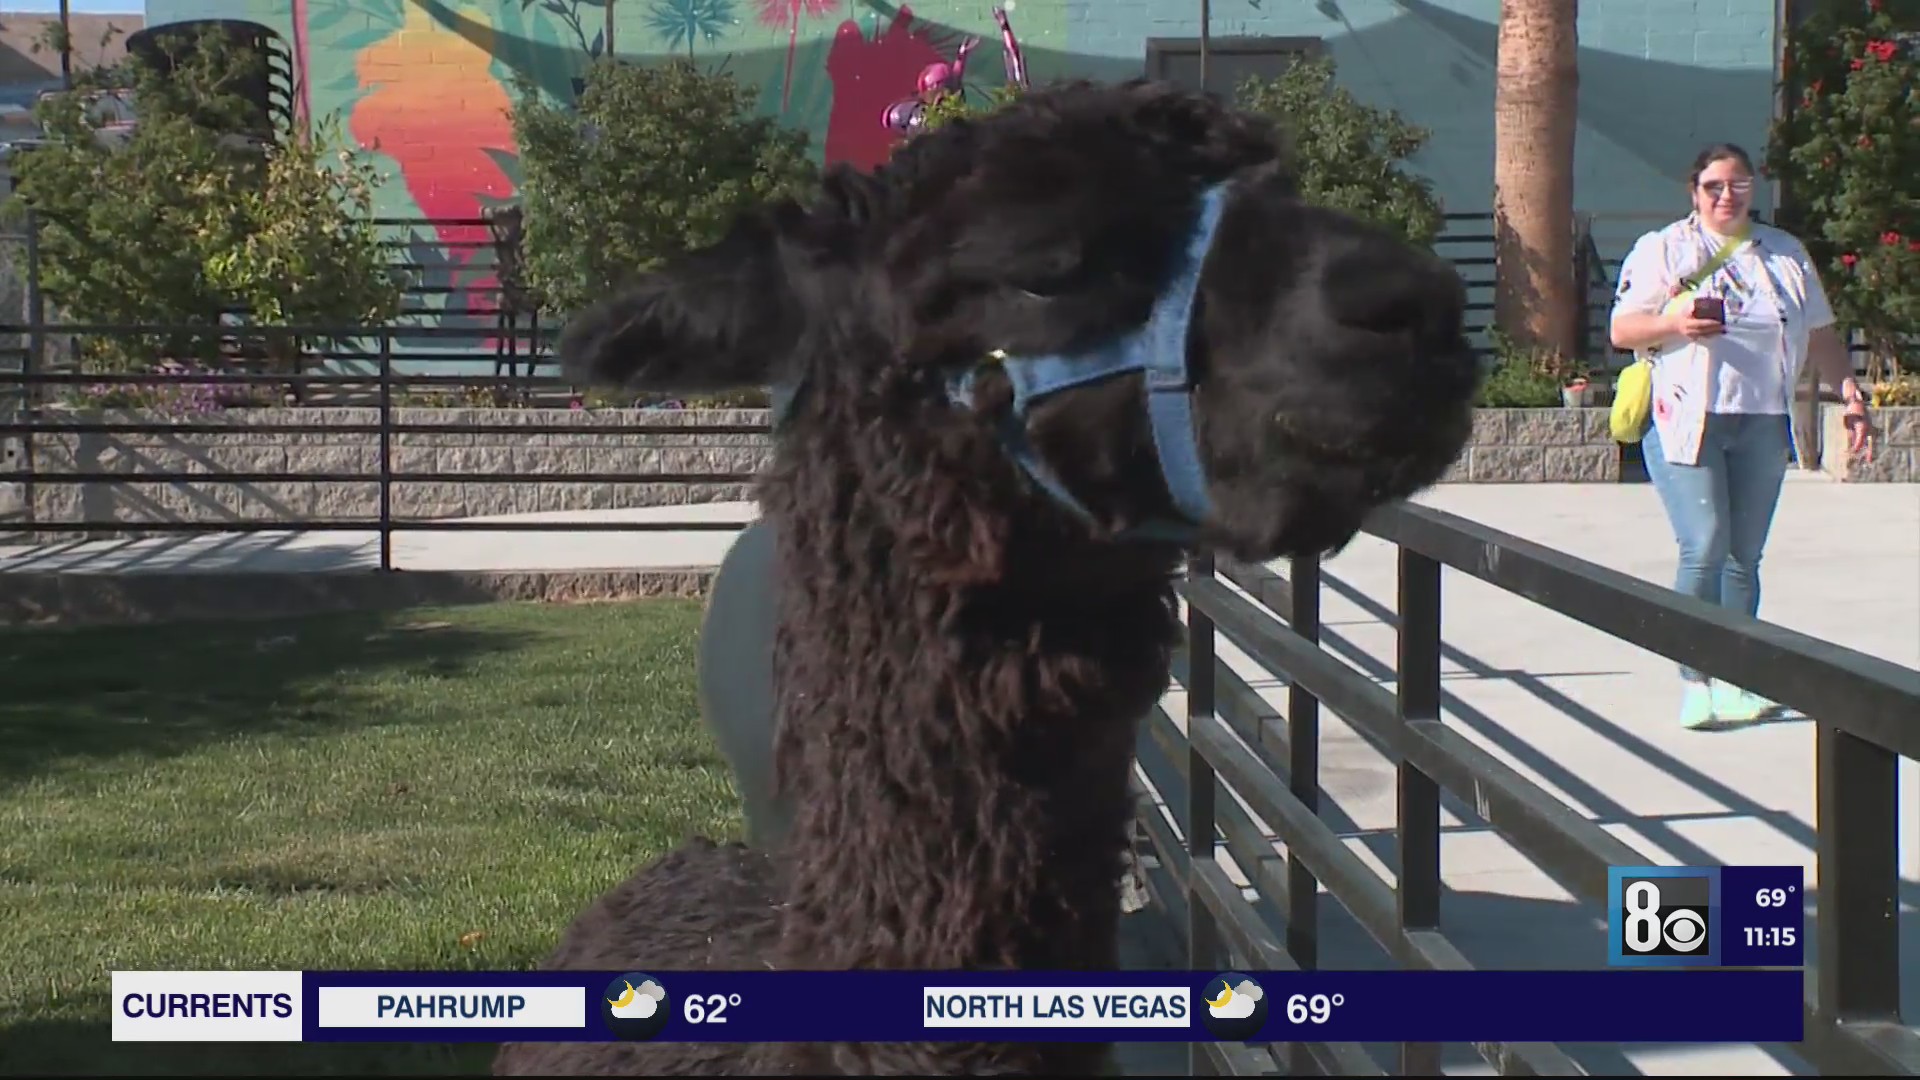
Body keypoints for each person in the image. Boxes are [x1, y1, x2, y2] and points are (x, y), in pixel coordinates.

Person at [1608, 142, 1876, 731]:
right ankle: (1694, 679)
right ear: (1694, 191)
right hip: (1684, 416)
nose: (1727, 197)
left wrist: (1850, 396)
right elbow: (1623, 329)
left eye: (1739, 186)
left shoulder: (1783, 253)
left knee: (1742, 557)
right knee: (1703, 544)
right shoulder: (1665, 249)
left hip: (1760, 420)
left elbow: (1823, 332)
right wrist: (1675, 322)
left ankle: (1736, 679)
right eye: (1714, 187)